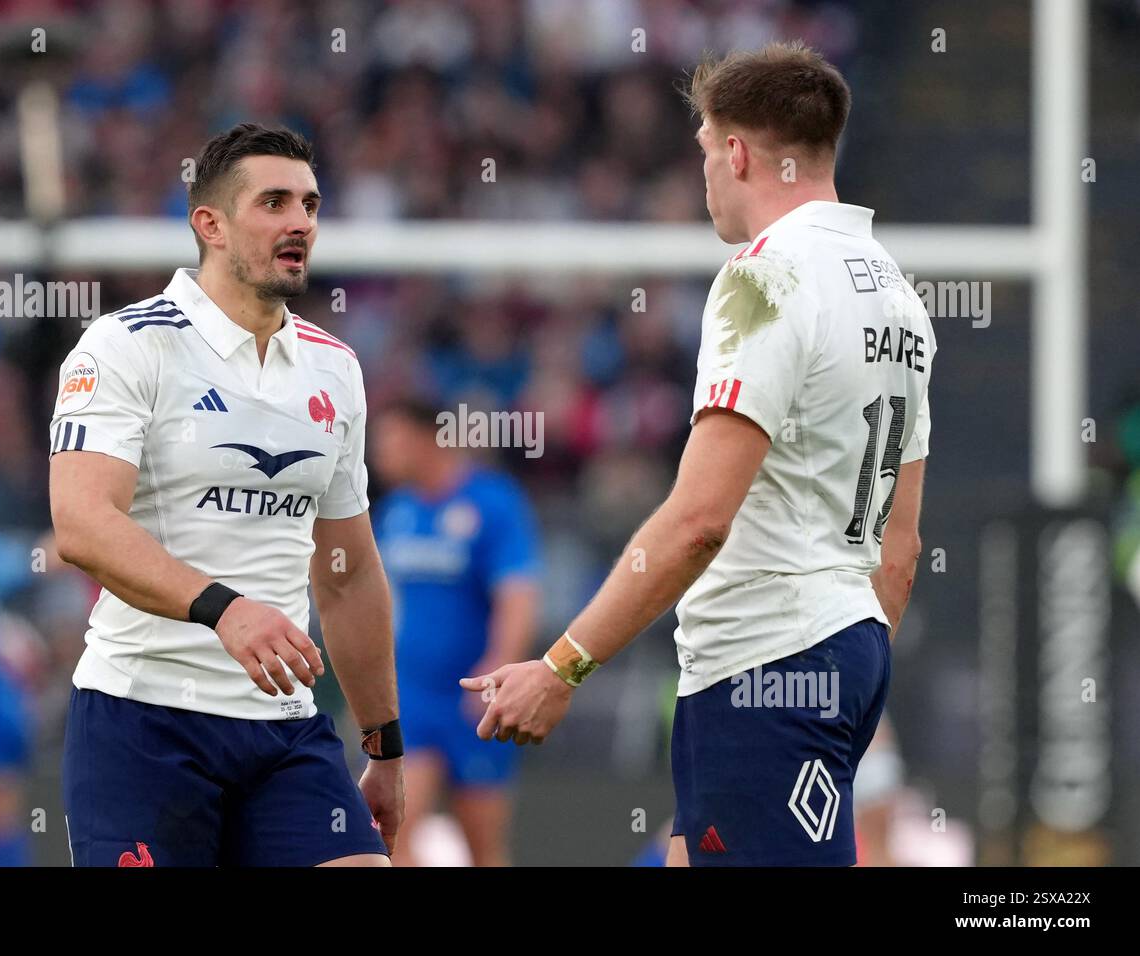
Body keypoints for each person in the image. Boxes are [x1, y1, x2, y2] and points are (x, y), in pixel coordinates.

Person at [462, 41, 934, 867]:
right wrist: (851, 674)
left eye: (706, 150)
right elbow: (901, 549)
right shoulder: (898, 295)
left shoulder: (765, 278)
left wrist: (562, 667)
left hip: (765, 658)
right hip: (842, 652)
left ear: (739, 152)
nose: (705, 173)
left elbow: (699, 521)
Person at [49, 123, 403, 867]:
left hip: (283, 730)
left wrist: (384, 744)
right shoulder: (126, 345)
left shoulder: (335, 369)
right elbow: (81, 523)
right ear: (208, 224)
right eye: (273, 202)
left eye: (309, 203)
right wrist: (226, 609)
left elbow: (349, 573)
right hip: (142, 722)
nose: (300, 221)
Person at [371, 398, 540, 866]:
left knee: (482, 847)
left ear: (426, 439)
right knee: (394, 830)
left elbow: (518, 593)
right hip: (413, 696)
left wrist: (498, 668)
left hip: (473, 695)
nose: (381, 453)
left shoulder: (492, 503)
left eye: (392, 440)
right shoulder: (395, 512)